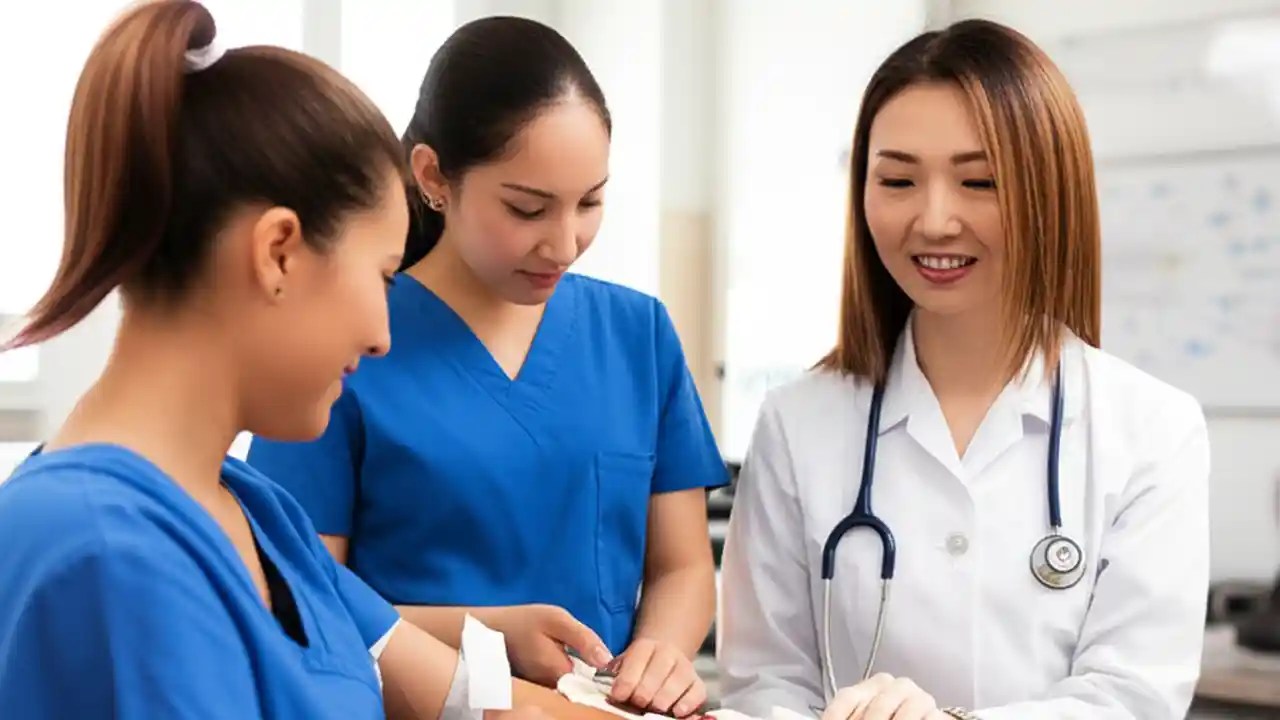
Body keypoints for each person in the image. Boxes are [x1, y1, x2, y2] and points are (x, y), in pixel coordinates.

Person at [0, 3, 622, 719]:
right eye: (384, 277)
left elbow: (487, 706)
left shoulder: (261, 516)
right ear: (278, 253)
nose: (385, 335)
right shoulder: (101, 554)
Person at [716, 19, 1210, 720]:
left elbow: (1134, 699)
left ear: (1050, 193)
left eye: (979, 181)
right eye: (897, 179)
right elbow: (766, 686)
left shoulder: (1153, 428)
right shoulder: (799, 422)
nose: (935, 219)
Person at [245, 15, 726, 719]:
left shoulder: (637, 334)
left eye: (590, 202)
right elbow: (298, 594)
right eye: (527, 208)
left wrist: (660, 656)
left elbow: (682, 566)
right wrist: (483, 636)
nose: (564, 244)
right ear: (434, 176)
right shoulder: (347, 342)